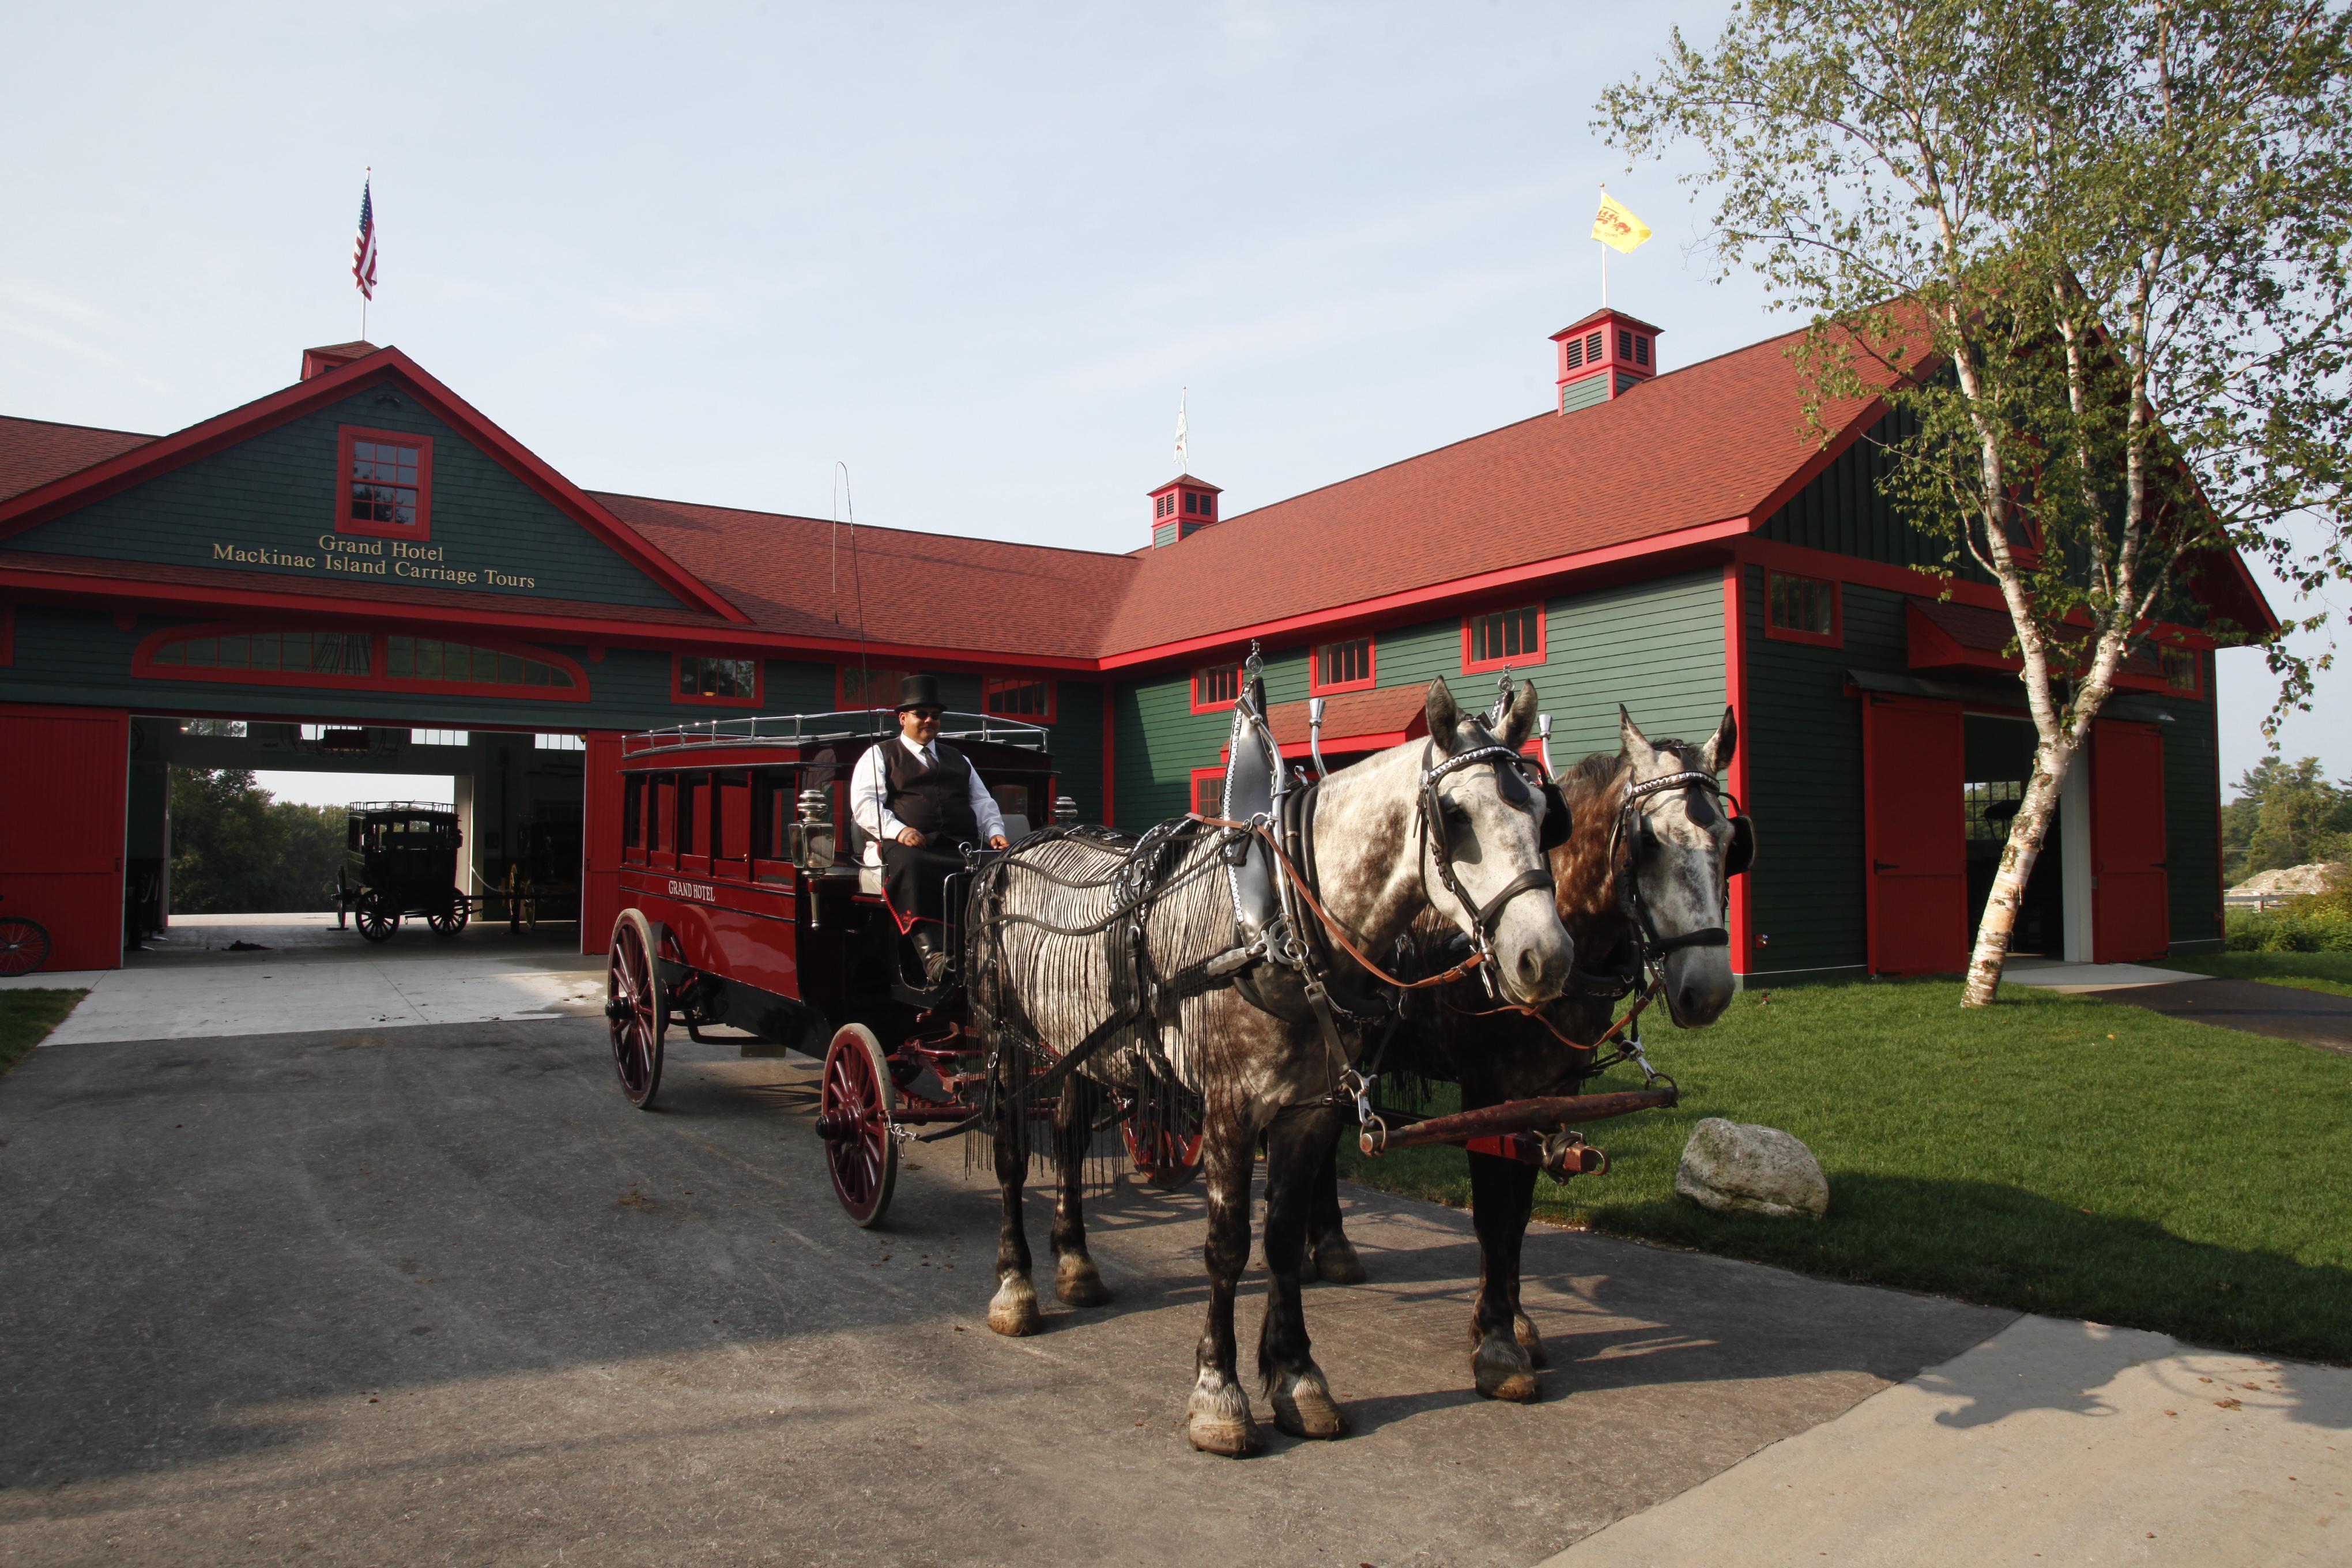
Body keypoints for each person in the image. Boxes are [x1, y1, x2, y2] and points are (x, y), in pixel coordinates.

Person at [847, 674, 1008, 982]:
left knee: (1001, 867)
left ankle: (996, 947)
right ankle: (932, 955)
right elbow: (865, 805)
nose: (929, 721)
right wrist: (900, 831)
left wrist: (994, 832)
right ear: (903, 718)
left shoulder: (959, 759)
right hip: (906, 847)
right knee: (912, 864)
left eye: (935, 715)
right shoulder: (880, 755)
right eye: (921, 714)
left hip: (960, 845)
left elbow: (982, 801)